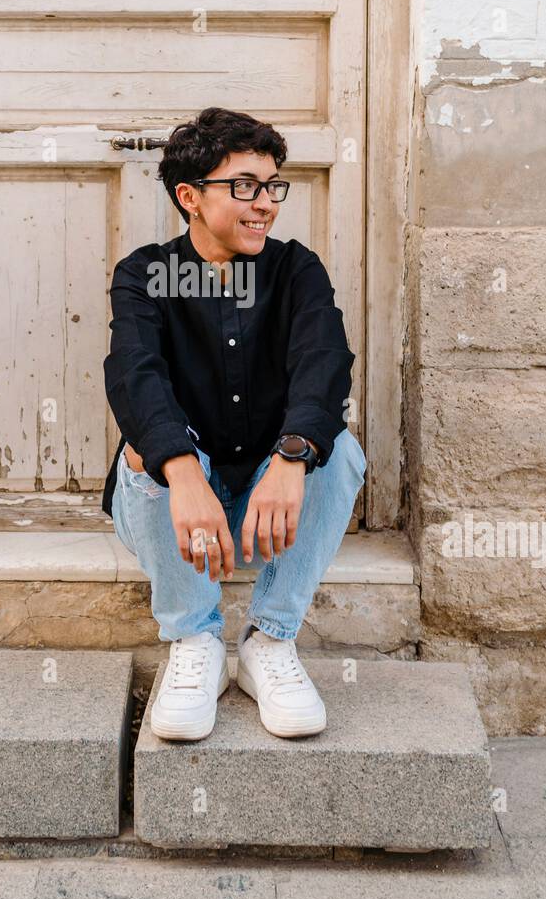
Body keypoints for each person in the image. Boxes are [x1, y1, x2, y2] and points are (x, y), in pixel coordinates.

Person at [101, 107, 367, 741]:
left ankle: (269, 642)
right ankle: (194, 639)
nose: (265, 203)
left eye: (272, 186)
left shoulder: (295, 270)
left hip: (269, 513)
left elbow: (323, 365)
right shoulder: (147, 274)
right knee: (145, 452)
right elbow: (134, 373)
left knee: (342, 450)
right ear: (189, 197)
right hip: (180, 516)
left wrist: (293, 456)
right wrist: (183, 472)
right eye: (244, 185)